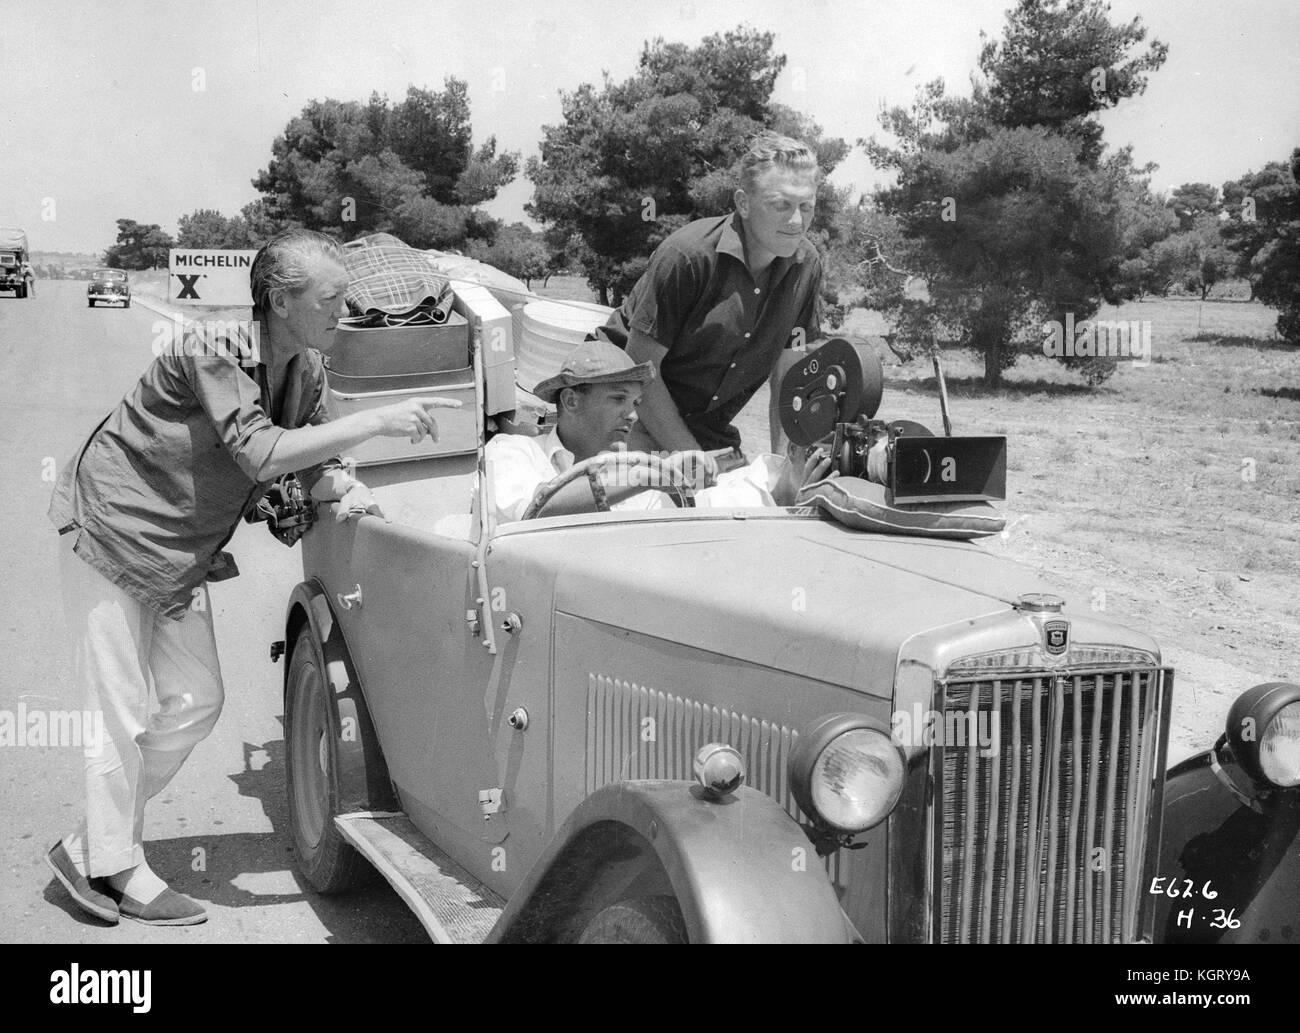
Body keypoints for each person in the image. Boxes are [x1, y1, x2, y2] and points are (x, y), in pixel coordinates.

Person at [45, 228, 459, 926]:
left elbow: (306, 466)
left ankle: (90, 843)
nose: (343, 307)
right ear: (279, 300)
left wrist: (342, 490)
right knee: (118, 709)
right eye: (329, 297)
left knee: (197, 699)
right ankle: (114, 865)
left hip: (179, 553)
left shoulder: (308, 370)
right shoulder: (214, 345)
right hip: (113, 530)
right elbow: (262, 452)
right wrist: (378, 422)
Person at [593, 132, 823, 463]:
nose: (797, 221)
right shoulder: (687, 255)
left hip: (702, 427)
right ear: (743, 203)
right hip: (621, 409)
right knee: (656, 505)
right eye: (781, 206)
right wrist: (692, 459)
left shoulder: (807, 266)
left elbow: (789, 376)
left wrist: (786, 468)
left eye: (807, 207)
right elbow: (640, 370)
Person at [483, 339, 718, 524]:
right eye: (618, 399)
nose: (633, 415)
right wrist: (646, 476)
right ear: (571, 401)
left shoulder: (633, 476)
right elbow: (533, 511)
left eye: (636, 403)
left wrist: (690, 479)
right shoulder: (512, 451)